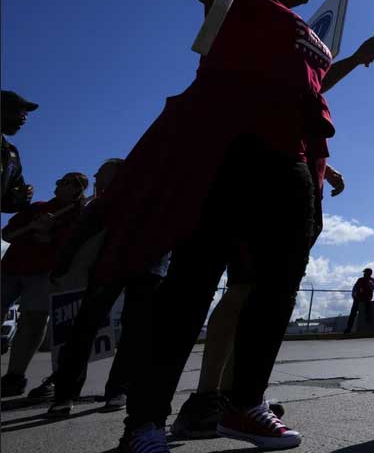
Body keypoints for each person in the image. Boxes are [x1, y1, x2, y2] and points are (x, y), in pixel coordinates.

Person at [94, 0, 374, 453]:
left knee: (274, 289)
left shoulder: (306, 33)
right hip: (231, 152)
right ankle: (145, 420)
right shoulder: (242, 0)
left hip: (291, 163)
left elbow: (311, 88)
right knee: (192, 284)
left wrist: (352, 61)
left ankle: (246, 404)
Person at [172, 163, 345, 438]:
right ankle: (204, 400)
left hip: (305, 189)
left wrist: (327, 170)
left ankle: (231, 396)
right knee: (246, 286)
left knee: (264, 294)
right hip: (271, 181)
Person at [42, 160, 168, 414]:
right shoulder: (101, 204)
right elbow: (78, 236)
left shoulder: (123, 202)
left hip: (138, 268)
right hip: (115, 269)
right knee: (88, 327)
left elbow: (78, 237)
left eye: (100, 174)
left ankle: (112, 390)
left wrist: (62, 266)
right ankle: (70, 393)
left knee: (112, 328)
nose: (96, 179)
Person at [0, 172, 88, 397]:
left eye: (65, 183)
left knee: (33, 320)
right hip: (10, 269)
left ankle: (14, 376)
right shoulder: (37, 207)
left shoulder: (77, 216)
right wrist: (33, 225)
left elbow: (68, 246)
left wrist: (48, 234)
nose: (58, 185)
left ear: (77, 189)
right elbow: (8, 233)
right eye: (59, 181)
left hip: (42, 273)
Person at [1, 90, 37, 213]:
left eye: (26, 113)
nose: (24, 117)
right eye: (17, 110)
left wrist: (21, 196)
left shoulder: (11, 153)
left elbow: (6, 201)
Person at [346, 266, 374, 334]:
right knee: (353, 313)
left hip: (367, 299)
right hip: (358, 298)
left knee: (368, 312)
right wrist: (353, 295)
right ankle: (349, 327)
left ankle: (368, 327)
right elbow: (355, 287)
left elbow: (373, 287)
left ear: (369, 273)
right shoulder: (360, 279)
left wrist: (368, 281)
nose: (364, 274)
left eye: (365, 273)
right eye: (364, 273)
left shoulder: (373, 280)